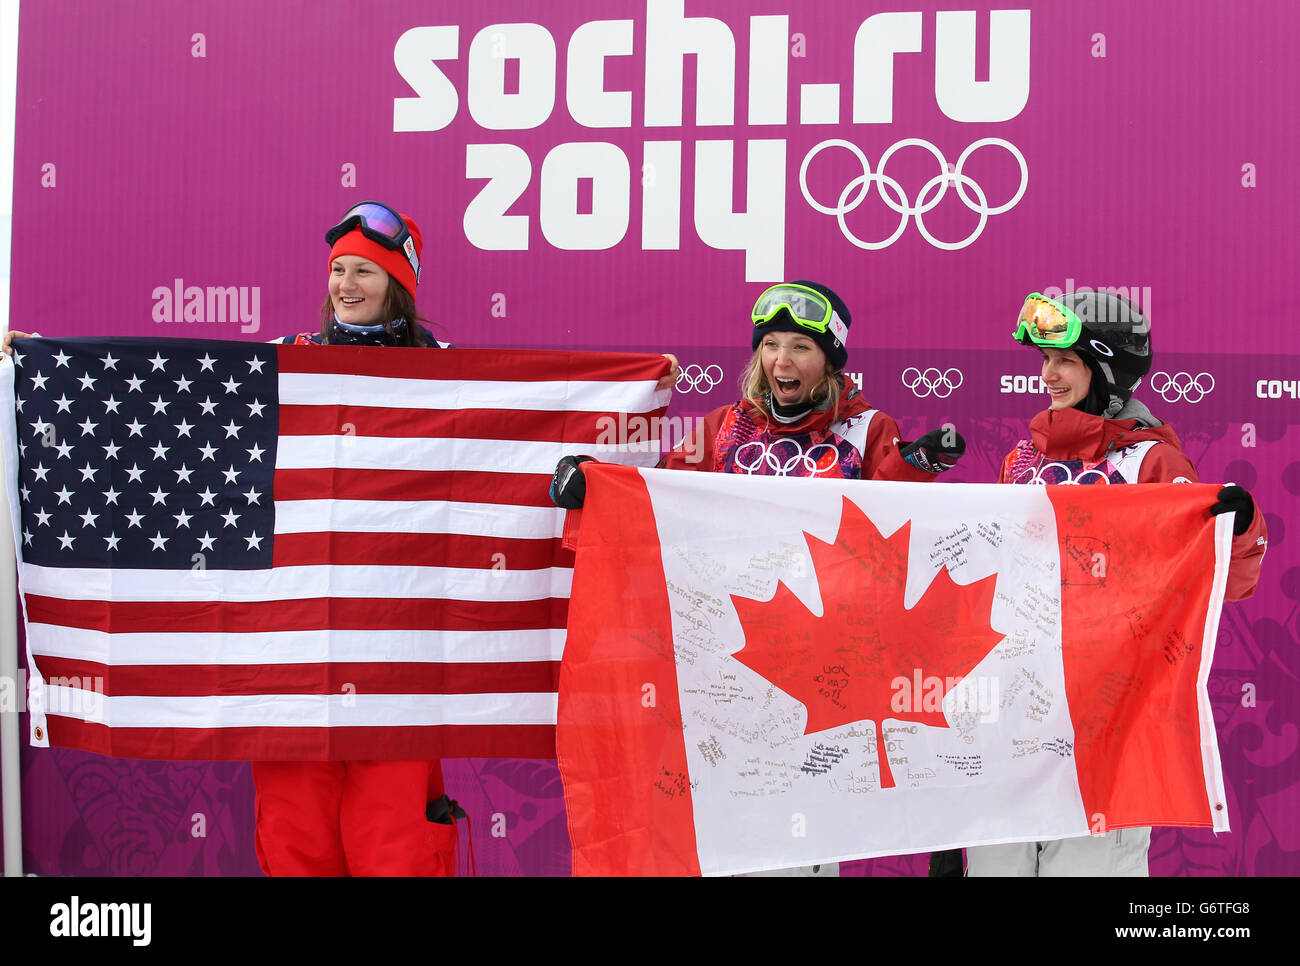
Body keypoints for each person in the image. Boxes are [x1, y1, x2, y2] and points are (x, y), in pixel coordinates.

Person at [551, 280, 967, 876]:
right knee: (736, 831)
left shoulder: (867, 430)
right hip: (731, 660)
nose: (781, 361)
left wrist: (910, 468)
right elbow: (664, 502)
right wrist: (597, 486)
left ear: (829, 359)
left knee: (807, 841)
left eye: (800, 346)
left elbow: (887, 538)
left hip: (826, 668)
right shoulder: (725, 428)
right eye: (771, 345)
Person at [961, 288, 1267, 877]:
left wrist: (1238, 530)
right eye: (1045, 361)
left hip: (1109, 715)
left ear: (1105, 370)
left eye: (1065, 361)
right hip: (1017, 705)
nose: (1047, 375)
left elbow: (1219, 584)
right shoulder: (1022, 458)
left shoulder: (1151, 464)